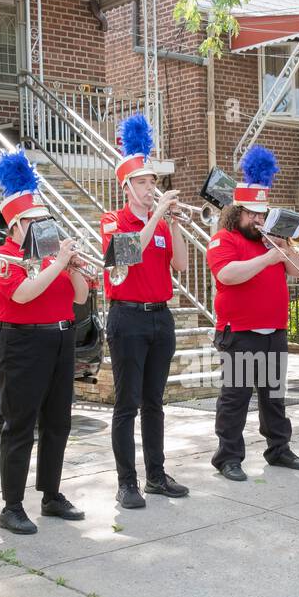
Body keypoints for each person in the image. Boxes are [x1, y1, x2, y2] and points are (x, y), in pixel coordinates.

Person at [0, 150, 92, 535]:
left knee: (58, 422)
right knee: (19, 425)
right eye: (34, 222)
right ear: (15, 228)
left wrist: (75, 267)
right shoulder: (2, 258)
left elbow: (80, 298)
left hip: (62, 339)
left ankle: (51, 494)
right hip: (22, 344)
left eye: (45, 221)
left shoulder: (54, 258)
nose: (43, 228)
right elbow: (24, 295)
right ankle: (11, 505)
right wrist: (58, 263)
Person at [99, 114, 190, 509]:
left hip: (160, 316)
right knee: (127, 403)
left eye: (153, 181)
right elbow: (128, 252)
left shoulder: (163, 224)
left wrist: (177, 223)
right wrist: (157, 216)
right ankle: (126, 482)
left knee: (155, 402)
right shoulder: (111, 220)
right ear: (126, 186)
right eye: (143, 182)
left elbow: (183, 266)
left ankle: (156, 474)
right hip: (127, 317)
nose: (151, 187)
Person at [206, 145, 299, 480]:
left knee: (274, 397)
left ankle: (278, 449)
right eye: (252, 214)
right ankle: (228, 457)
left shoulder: (272, 241)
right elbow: (227, 275)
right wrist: (267, 258)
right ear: (237, 213)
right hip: (240, 332)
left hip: (274, 331)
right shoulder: (223, 239)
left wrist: (286, 247)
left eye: (262, 215)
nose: (258, 220)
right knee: (236, 398)